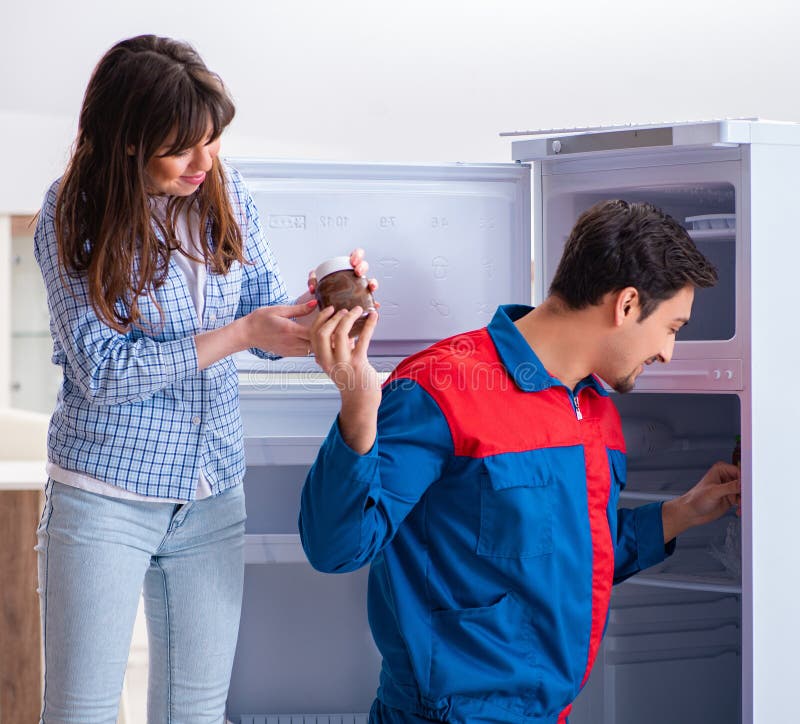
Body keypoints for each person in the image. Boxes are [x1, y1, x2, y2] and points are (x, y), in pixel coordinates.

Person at [33, 35, 375, 724]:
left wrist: (322, 308)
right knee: (81, 712)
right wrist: (241, 334)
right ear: (128, 141)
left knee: (195, 713)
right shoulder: (71, 210)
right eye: (182, 147)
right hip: (105, 496)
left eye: (213, 140)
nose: (204, 161)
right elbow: (101, 369)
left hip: (213, 490)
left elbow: (264, 321)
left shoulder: (225, 190)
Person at [299, 199, 741, 724]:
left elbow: (572, 556)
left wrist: (686, 511)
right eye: (672, 326)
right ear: (625, 305)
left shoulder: (597, 413)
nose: (668, 351)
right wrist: (357, 409)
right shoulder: (442, 387)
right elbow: (337, 546)